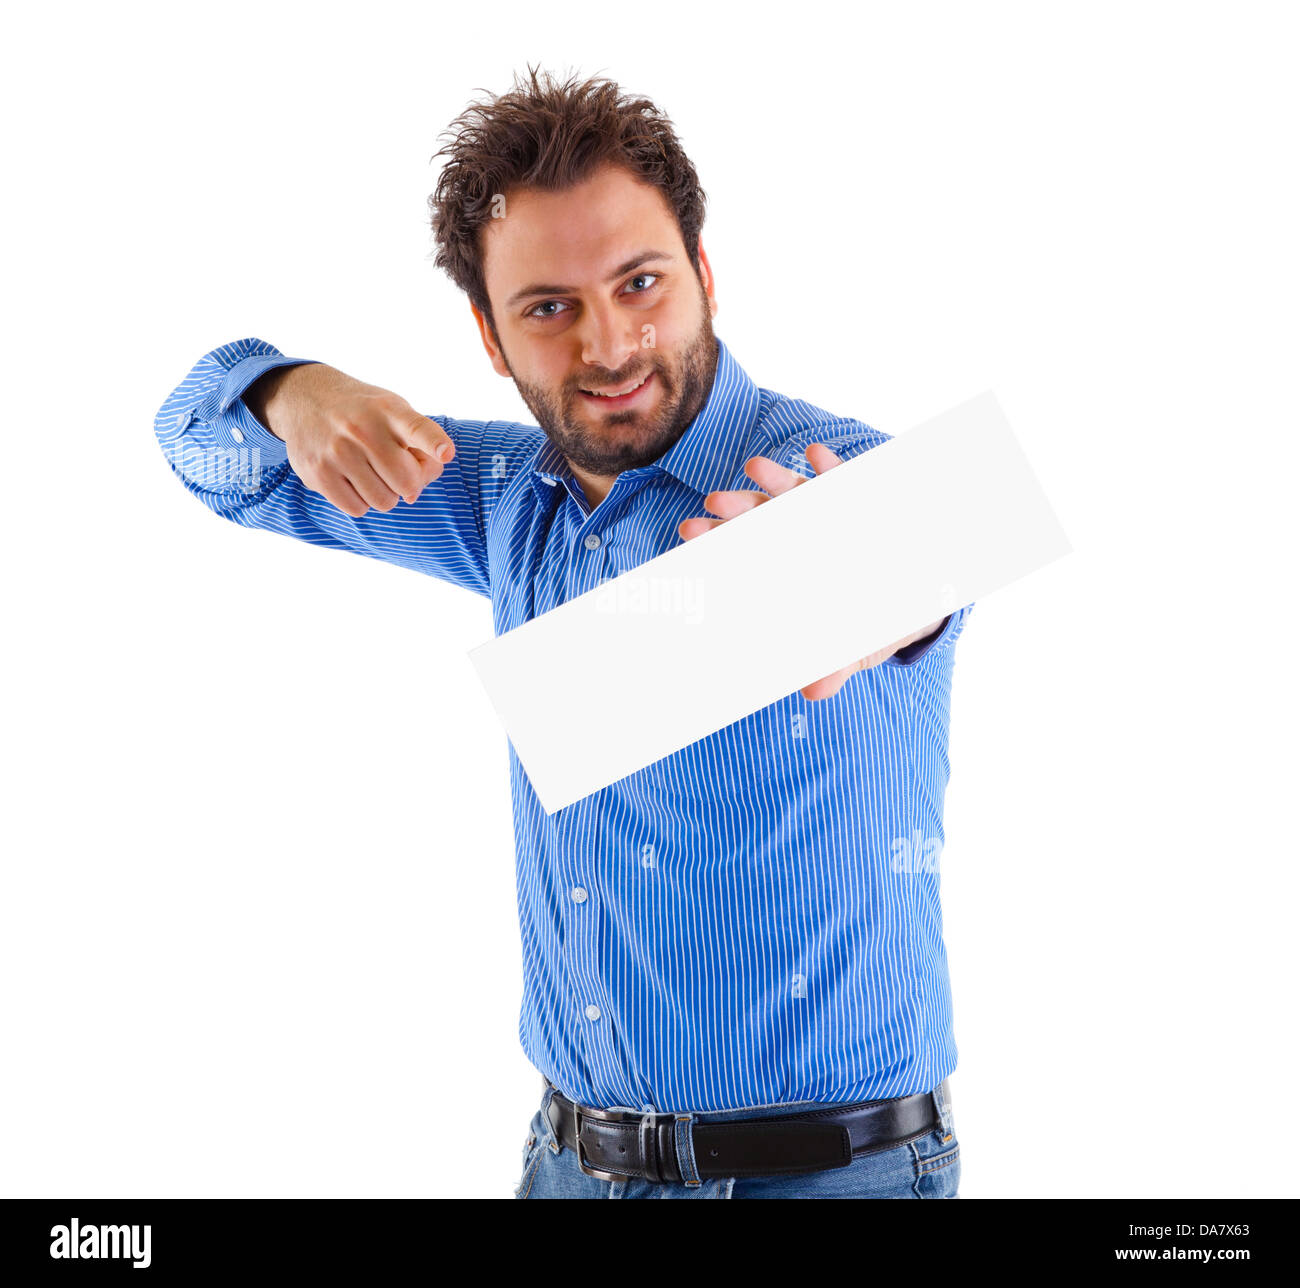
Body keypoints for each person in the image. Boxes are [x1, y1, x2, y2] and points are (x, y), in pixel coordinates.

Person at [154, 68, 973, 1199]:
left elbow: (928, 557)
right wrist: (286, 391)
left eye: (641, 282)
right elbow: (208, 461)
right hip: (569, 1164)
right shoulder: (496, 493)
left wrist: (861, 575)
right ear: (490, 337)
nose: (609, 345)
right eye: (549, 308)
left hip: (829, 1175)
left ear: (706, 275)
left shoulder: (841, 475)